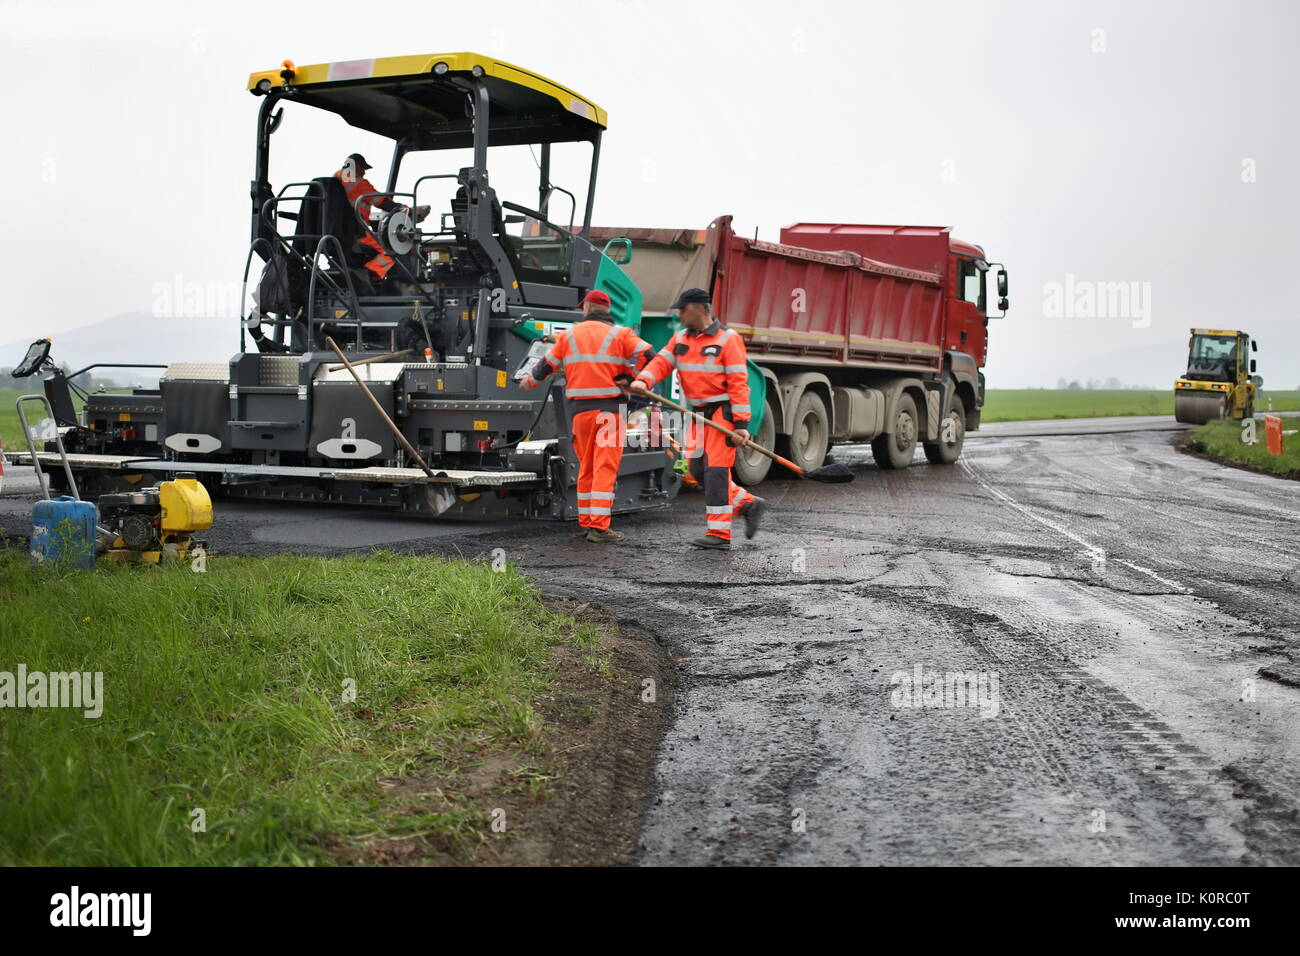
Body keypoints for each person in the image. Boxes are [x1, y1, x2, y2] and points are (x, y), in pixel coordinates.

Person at [630, 288, 767, 549]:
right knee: (696, 471)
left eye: (684, 309)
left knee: (715, 473)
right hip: (697, 414)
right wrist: (642, 380)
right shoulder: (680, 339)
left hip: (721, 415)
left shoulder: (728, 340)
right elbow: (661, 363)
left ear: (701, 309)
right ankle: (748, 504)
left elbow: (739, 383)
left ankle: (719, 534)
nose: (679, 314)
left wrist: (741, 425)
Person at [520, 290, 654, 542]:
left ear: (588, 307)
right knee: (605, 467)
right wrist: (637, 381)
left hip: (579, 413)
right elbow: (649, 356)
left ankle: (587, 522)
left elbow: (544, 366)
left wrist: (529, 381)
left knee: (587, 468)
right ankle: (600, 528)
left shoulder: (569, 335)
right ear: (607, 308)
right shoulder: (621, 334)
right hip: (609, 412)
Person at [333, 153, 428, 287]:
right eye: (363, 168)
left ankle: (368, 280)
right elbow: (384, 203)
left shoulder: (334, 180)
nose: (364, 172)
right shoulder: (359, 183)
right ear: (357, 166)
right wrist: (410, 210)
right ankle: (367, 275)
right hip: (356, 232)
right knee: (391, 250)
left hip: (335, 232)